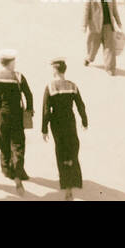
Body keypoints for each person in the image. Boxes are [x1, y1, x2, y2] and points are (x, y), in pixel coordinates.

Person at [0, 49, 33, 189]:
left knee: (3, 140)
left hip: (1, 115)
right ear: (10, 63)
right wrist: (29, 110)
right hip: (16, 114)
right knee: (18, 143)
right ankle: (19, 170)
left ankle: (6, 169)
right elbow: (28, 94)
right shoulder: (19, 76)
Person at [42, 58, 87, 200]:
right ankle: (74, 180)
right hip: (70, 120)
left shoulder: (50, 86)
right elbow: (80, 104)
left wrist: (44, 129)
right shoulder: (72, 86)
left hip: (56, 122)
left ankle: (65, 182)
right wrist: (84, 120)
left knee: (61, 149)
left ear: (55, 70)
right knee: (72, 146)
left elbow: (46, 110)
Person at [83, 0, 123, 75]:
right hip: (95, 25)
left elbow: (114, 8)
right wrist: (84, 24)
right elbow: (86, 9)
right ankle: (89, 58)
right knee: (93, 45)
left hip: (108, 24)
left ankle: (110, 68)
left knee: (109, 47)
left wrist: (118, 22)